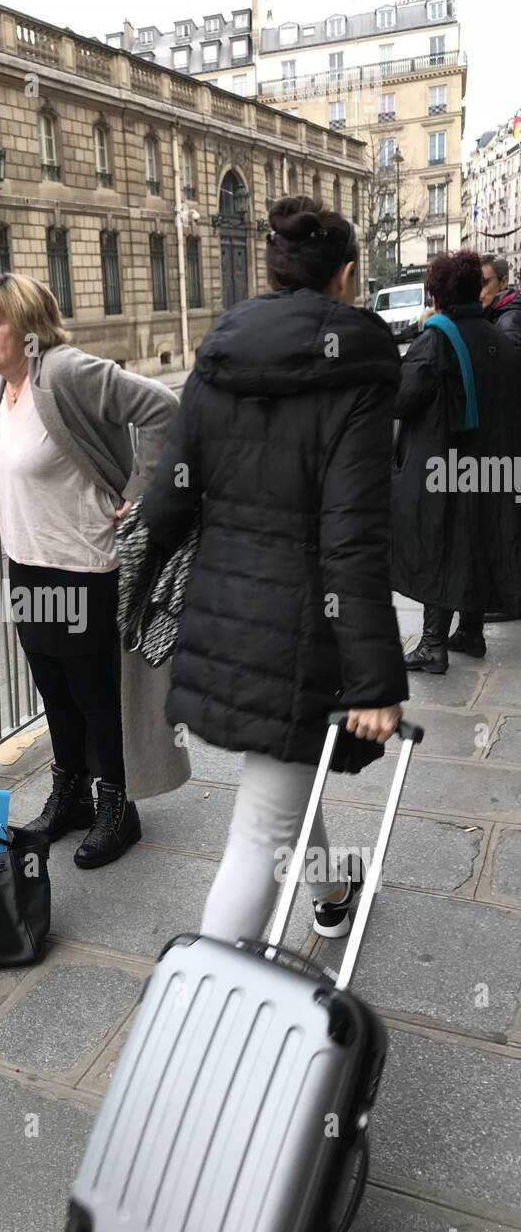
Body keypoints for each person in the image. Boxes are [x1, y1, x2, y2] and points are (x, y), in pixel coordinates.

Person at [141, 196, 407, 943]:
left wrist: (128, 594)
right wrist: (374, 679)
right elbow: (350, 535)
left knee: (283, 774)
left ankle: (328, 892)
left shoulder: (219, 351)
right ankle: (205, 1015)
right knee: (258, 833)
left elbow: (166, 502)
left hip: (223, 619)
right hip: (302, 632)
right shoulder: (356, 368)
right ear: (347, 277)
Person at [0, 272, 189, 869]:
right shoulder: (6, 388)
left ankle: (118, 807)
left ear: (28, 327)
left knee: (95, 695)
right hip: (28, 566)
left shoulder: (65, 371)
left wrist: (141, 494)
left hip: (84, 565)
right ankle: (71, 796)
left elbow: (163, 408)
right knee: (54, 692)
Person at [393, 251, 519, 671]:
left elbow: (402, 399)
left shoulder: (437, 339)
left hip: (443, 465)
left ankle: (432, 644)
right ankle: (471, 630)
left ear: (439, 294)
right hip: (491, 466)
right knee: (475, 539)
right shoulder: (496, 335)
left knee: (440, 544)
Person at [480, 254, 521, 351]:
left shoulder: (510, 321)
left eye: (484, 282)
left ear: (503, 282)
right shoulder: (495, 312)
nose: (478, 290)